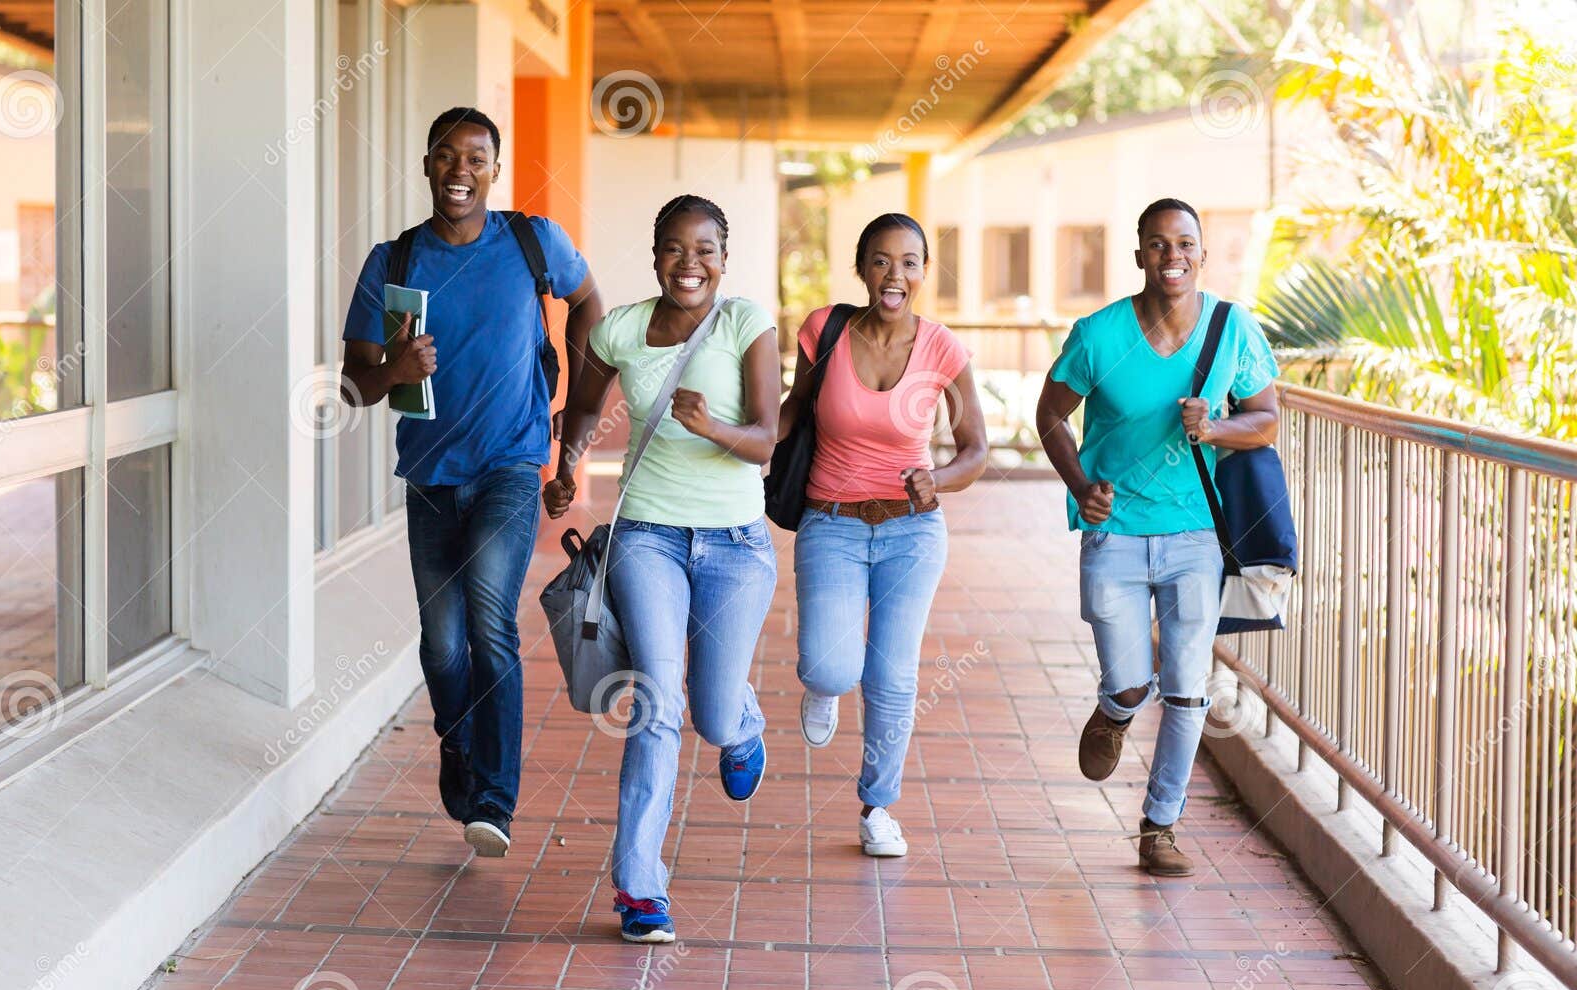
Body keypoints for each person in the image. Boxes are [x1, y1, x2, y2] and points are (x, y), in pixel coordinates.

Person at [340, 107, 602, 859]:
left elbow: (588, 302)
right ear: (427, 166)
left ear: (496, 168)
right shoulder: (392, 263)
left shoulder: (531, 243)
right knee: (442, 643)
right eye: (447, 157)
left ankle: (495, 796)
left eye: (477, 158)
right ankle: (457, 740)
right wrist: (395, 368)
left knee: (490, 618)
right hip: (429, 475)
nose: (461, 171)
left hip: (510, 466)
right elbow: (355, 384)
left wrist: (571, 418)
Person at [545, 194, 780, 944]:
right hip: (647, 537)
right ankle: (639, 885)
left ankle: (740, 725)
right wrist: (567, 468)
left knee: (709, 712)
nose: (691, 263)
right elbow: (581, 408)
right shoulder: (619, 329)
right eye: (675, 249)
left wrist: (711, 425)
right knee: (656, 698)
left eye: (705, 248)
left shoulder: (747, 322)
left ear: (725, 255)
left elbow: (768, 439)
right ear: (654, 256)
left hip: (736, 544)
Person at [1034, 196, 1279, 876]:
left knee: (1186, 683)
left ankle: (1159, 826)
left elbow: (1264, 418)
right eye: (1159, 244)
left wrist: (1215, 428)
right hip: (1112, 532)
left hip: (1197, 534)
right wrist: (1082, 485)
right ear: (1139, 254)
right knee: (1132, 679)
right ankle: (1114, 709)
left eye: (1186, 244)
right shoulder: (1099, 334)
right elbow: (1049, 416)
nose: (1173, 256)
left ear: (1203, 253)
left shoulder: (1233, 329)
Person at [782, 213, 987, 858]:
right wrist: (744, 444)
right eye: (880, 261)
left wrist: (943, 478)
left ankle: (878, 807)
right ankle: (822, 686)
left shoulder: (943, 349)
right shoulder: (825, 330)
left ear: (924, 271)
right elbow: (793, 409)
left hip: (912, 531)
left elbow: (976, 448)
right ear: (861, 267)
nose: (894, 275)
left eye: (909, 262)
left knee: (893, 678)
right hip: (831, 522)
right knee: (829, 664)